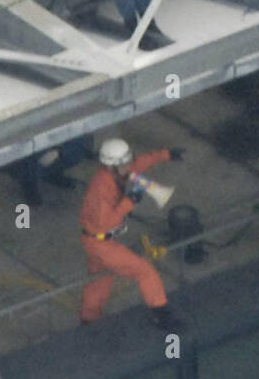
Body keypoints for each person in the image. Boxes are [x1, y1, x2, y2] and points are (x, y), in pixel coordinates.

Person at [79, 137, 184, 330]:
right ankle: (162, 316)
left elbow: (138, 164)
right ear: (112, 167)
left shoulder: (115, 173)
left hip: (94, 241)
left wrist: (166, 155)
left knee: (100, 278)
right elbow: (106, 223)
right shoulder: (101, 190)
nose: (129, 166)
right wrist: (130, 201)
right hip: (101, 243)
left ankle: (88, 319)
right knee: (144, 271)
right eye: (125, 164)